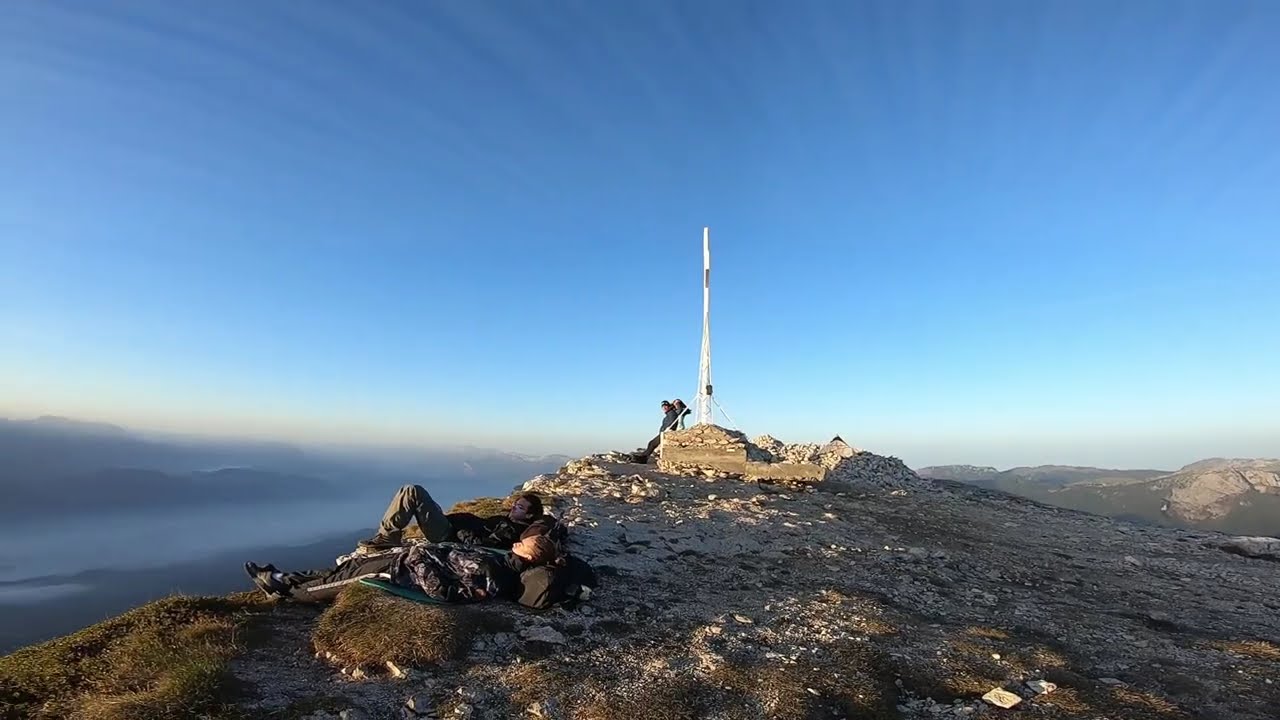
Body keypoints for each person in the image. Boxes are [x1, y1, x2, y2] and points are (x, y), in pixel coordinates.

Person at [244, 534, 560, 604]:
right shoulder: (501, 560)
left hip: (400, 571)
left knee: (330, 585)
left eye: (523, 543)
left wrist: (416, 557)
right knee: (340, 570)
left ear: (530, 555)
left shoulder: (492, 572)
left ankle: (281, 587)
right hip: (401, 559)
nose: (517, 542)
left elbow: (445, 592)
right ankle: (282, 575)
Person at [357, 485, 557, 551]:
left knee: (412, 492)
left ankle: (387, 537)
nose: (513, 507)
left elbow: (484, 544)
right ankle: (389, 534)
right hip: (449, 527)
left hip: (447, 534)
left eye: (520, 507)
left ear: (529, 514)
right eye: (515, 503)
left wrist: (461, 531)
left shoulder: (510, 529)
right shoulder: (508, 521)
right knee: (427, 502)